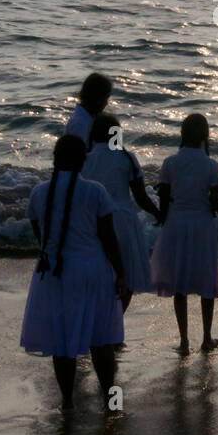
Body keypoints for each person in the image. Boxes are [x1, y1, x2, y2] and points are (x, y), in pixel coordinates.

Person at [20, 135, 126, 410]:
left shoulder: (40, 192)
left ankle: (67, 400)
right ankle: (110, 399)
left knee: (62, 342)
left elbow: (40, 236)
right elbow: (108, 238)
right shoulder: (95, 191)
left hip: (55, 272)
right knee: (101, 340)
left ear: (55, 159)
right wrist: (121, 272)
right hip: (92, 269)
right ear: (82, 160)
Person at [151, 114, 218, 354]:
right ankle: (207, 337)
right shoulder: (211, 165)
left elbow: (163, 199)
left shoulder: (170, 163)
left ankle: (184, 341)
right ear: (205, 135)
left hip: (177, 223)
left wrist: (161, 218)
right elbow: (214, 202)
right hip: (201, 223)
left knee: (179, 283)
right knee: (206, 282)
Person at [81, 113, 159, 316]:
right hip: (123, 222)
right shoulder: (126, 158)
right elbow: (141, 197)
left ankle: (100, 325)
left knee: (100, 276)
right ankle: (114, 323)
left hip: (93, 222)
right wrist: (159, 214)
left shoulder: (85, 159)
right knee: (126, 277)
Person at [66, 73, 113, 146]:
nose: (106, 103)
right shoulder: (80, 124)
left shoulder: (89, 118)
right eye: (106, 98)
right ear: (98, 99)